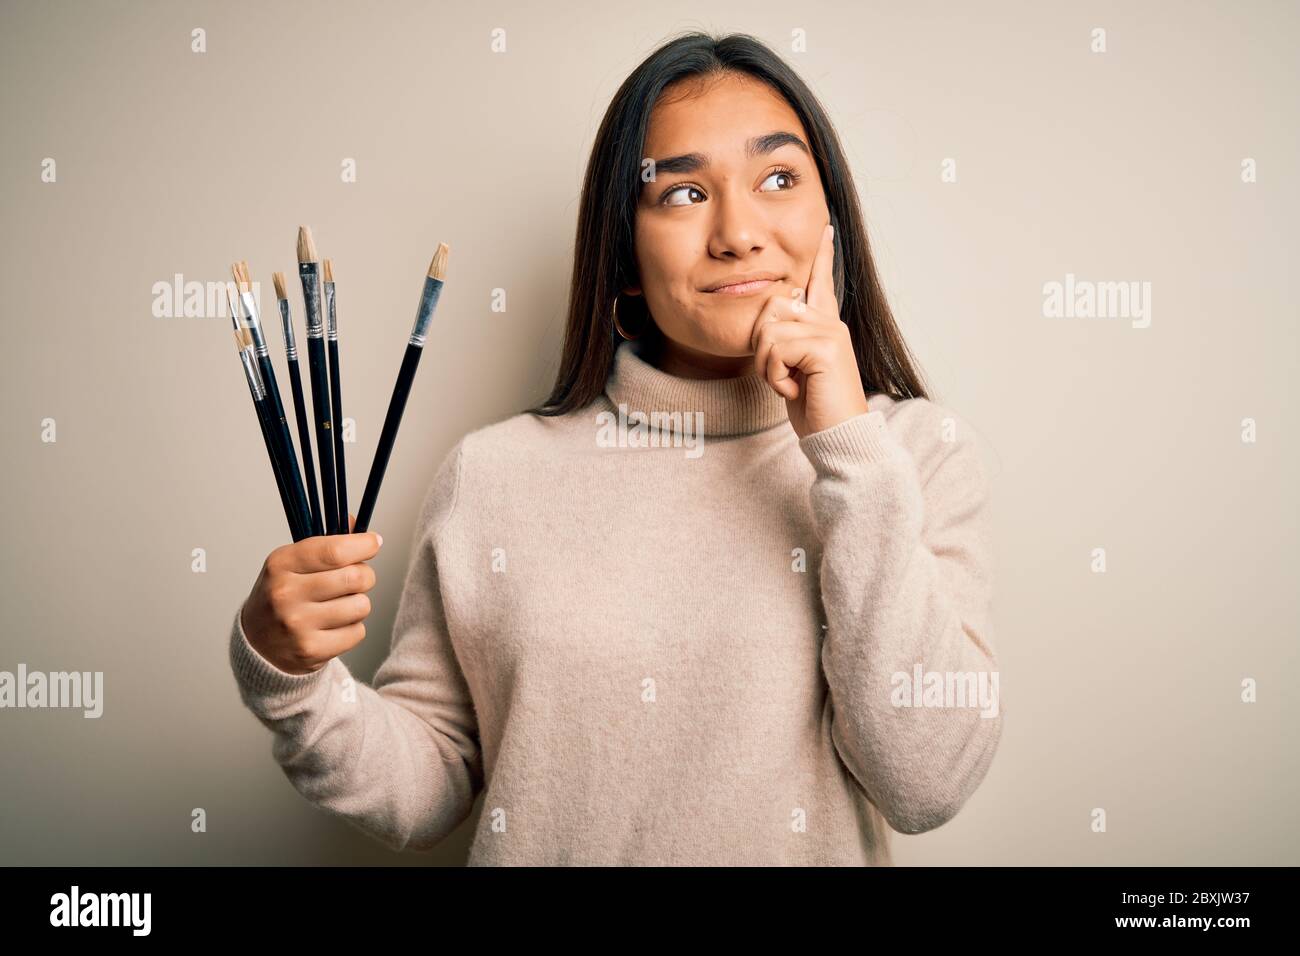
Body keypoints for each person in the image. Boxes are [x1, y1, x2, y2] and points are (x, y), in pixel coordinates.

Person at [230, 31, 1002, 866]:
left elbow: (927, 785)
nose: (738, 233)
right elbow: (431, 783)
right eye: (681, 194)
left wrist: (846, 449)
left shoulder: (911, 456)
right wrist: (291, 680)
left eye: (778, 178)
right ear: (624, 257)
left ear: (831, 223)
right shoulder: (495, 474)